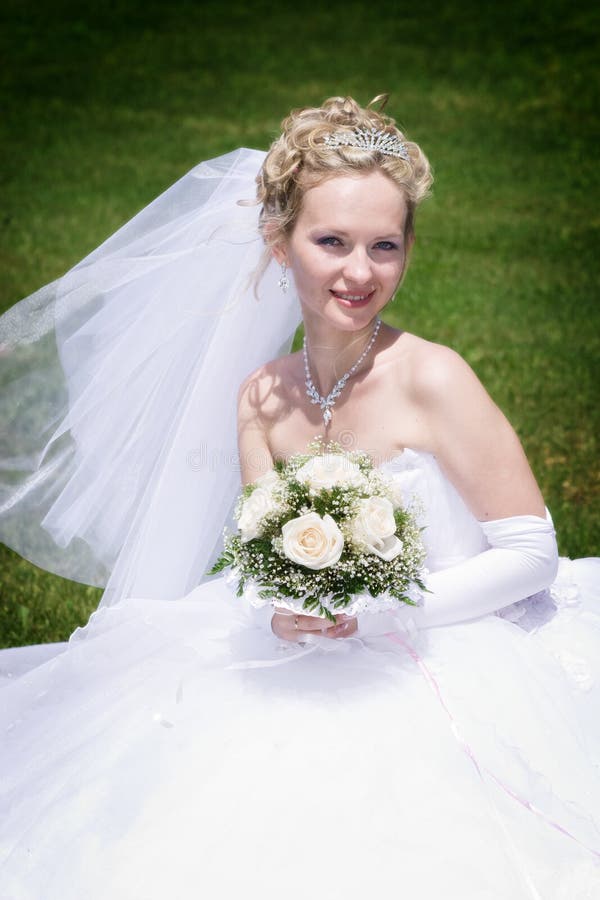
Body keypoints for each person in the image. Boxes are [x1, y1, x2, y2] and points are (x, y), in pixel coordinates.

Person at [0, 96, 599, 899]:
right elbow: (260, 555)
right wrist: (280, 609)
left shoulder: (433, 377)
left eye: (385, 246)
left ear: (409, 251)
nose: (361, 271)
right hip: (313, 641)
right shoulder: (262, 397)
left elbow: (530, 555)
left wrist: (384, 610)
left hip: (448, 633)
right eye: (332, 242)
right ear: (280, 243)